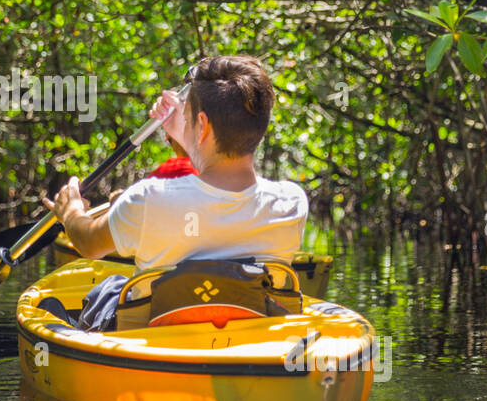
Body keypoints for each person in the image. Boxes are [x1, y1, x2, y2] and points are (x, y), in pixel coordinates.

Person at [41, 55, 307, 331]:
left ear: (202, 125)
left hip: (154, 338)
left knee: (100, 293)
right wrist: (188, 131)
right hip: (247, 334)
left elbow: (89, 243)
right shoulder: (291, 201)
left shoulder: (149, 198)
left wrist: (71, 210)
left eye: (191, 119)